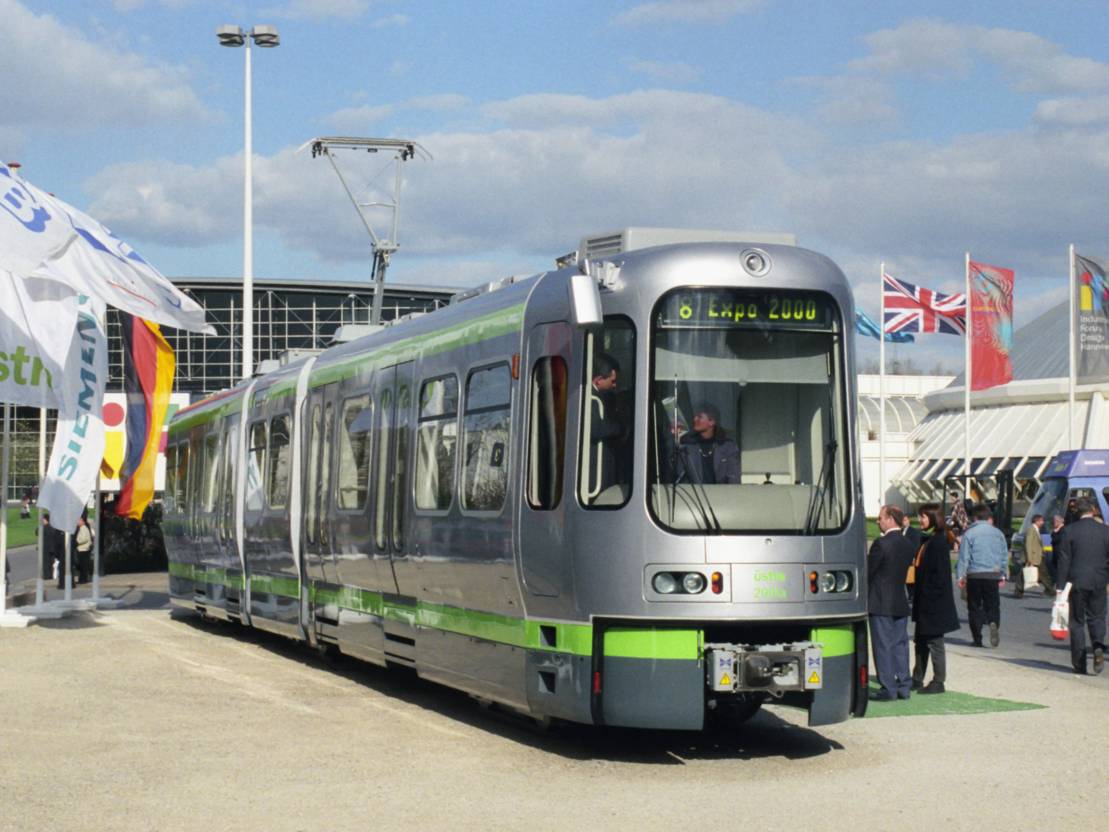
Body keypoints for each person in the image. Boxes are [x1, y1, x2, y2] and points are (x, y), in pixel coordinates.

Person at [1055, 497, 1109, 675]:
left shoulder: (1069, 531)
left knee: (1077, 622)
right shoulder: (1105, 531)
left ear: (1076, 513)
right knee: (1097, 617)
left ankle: (1080, 663)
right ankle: (1098, 645)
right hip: (1099, 580)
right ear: (1093, 510)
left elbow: (1064, 561)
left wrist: (1060, 587)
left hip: (1076, 581)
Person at [910, 503, 960, 694]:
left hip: (933, 603)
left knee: (934, 642)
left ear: (933, 518)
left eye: (923, 516)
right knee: (921, 641)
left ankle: (939, 680)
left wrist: (928, 598)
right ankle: (917, 678)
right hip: (924, 601)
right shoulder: (928, 540)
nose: (920, 520)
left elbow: (938, 577)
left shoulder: (938, 542)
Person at [868, 505, 916, 701]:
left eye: (880, 518)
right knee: (900, 645)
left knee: (883, 646)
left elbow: (869, 571)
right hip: (899, 600)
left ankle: (888, 688)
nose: (878, 521)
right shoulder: (907, 543)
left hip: (880, 601)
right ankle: (904, 686)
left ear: (889, 519)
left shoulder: (881, 543)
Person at [956, 504, 1009, 647]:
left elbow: (964, 556)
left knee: (974, 607)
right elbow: (1004, 555)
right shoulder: (998, 533)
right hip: (992, 574)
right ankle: (993, 622)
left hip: (974, 574)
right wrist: (1003, 573)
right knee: (993, 604)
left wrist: (960, 576)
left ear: (975, 518)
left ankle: (977, 637)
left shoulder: (969, 533)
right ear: (988, 517)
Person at [674, 403, 739, 485]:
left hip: (722, 496)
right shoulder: (688, 446)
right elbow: (681, 478)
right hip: (695, 496)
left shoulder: (728, 447)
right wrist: (676, 439)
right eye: (695, 416)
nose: (695, 419)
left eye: (699, 416)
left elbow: (734, 479)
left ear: (711, 422)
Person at [1017, 514, 1052, 598]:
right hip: (1033, 557)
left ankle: (1018, 591)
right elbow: (1028, 544)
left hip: (1036, 556)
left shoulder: (1036, 529)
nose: (1043, 522)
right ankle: (1050, 590)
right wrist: (1029, 558)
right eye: (1041, 521)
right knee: (1041, 574)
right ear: (1037, 521)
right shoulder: (1031, 530)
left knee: (1039, 574)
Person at [74, 512, 93, 585]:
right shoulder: (82, 528)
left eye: (79, 520)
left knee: (83, 566)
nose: (77, 522)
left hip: (83, 550)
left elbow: (84, 538)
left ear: (82, 521)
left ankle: (83, 579)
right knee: (82, 566)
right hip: (82, 549)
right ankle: (82, 579)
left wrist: (77, 541)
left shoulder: (84, 528)